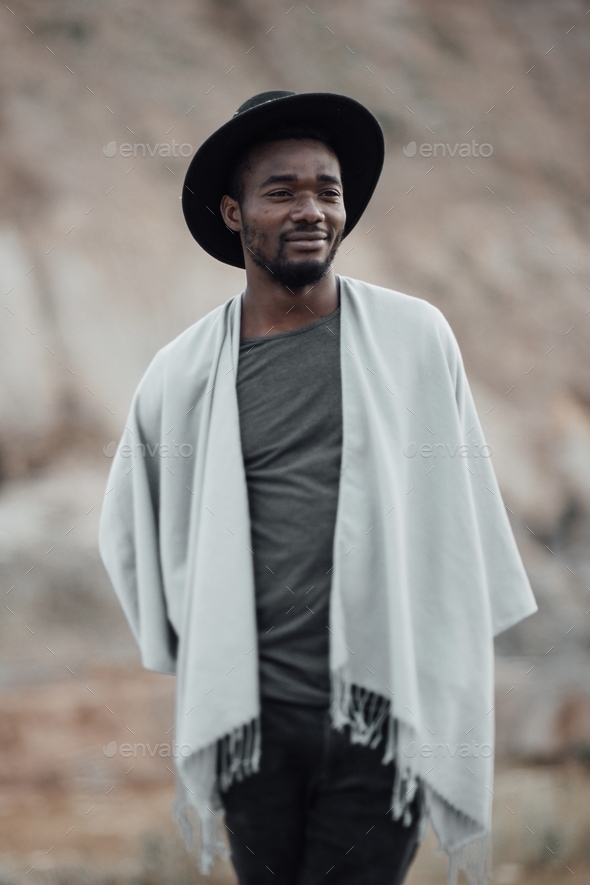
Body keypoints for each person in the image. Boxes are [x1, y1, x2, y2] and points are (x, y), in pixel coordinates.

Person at [99, 91, 538, 885]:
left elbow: (461, 519)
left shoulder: (415, 339)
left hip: (382, 712)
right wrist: (192, 640)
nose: (311, 209)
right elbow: (128, 528)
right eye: (282, 191)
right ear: (234, 213)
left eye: (327, 190)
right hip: (249, 723)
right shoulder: (183, 373)